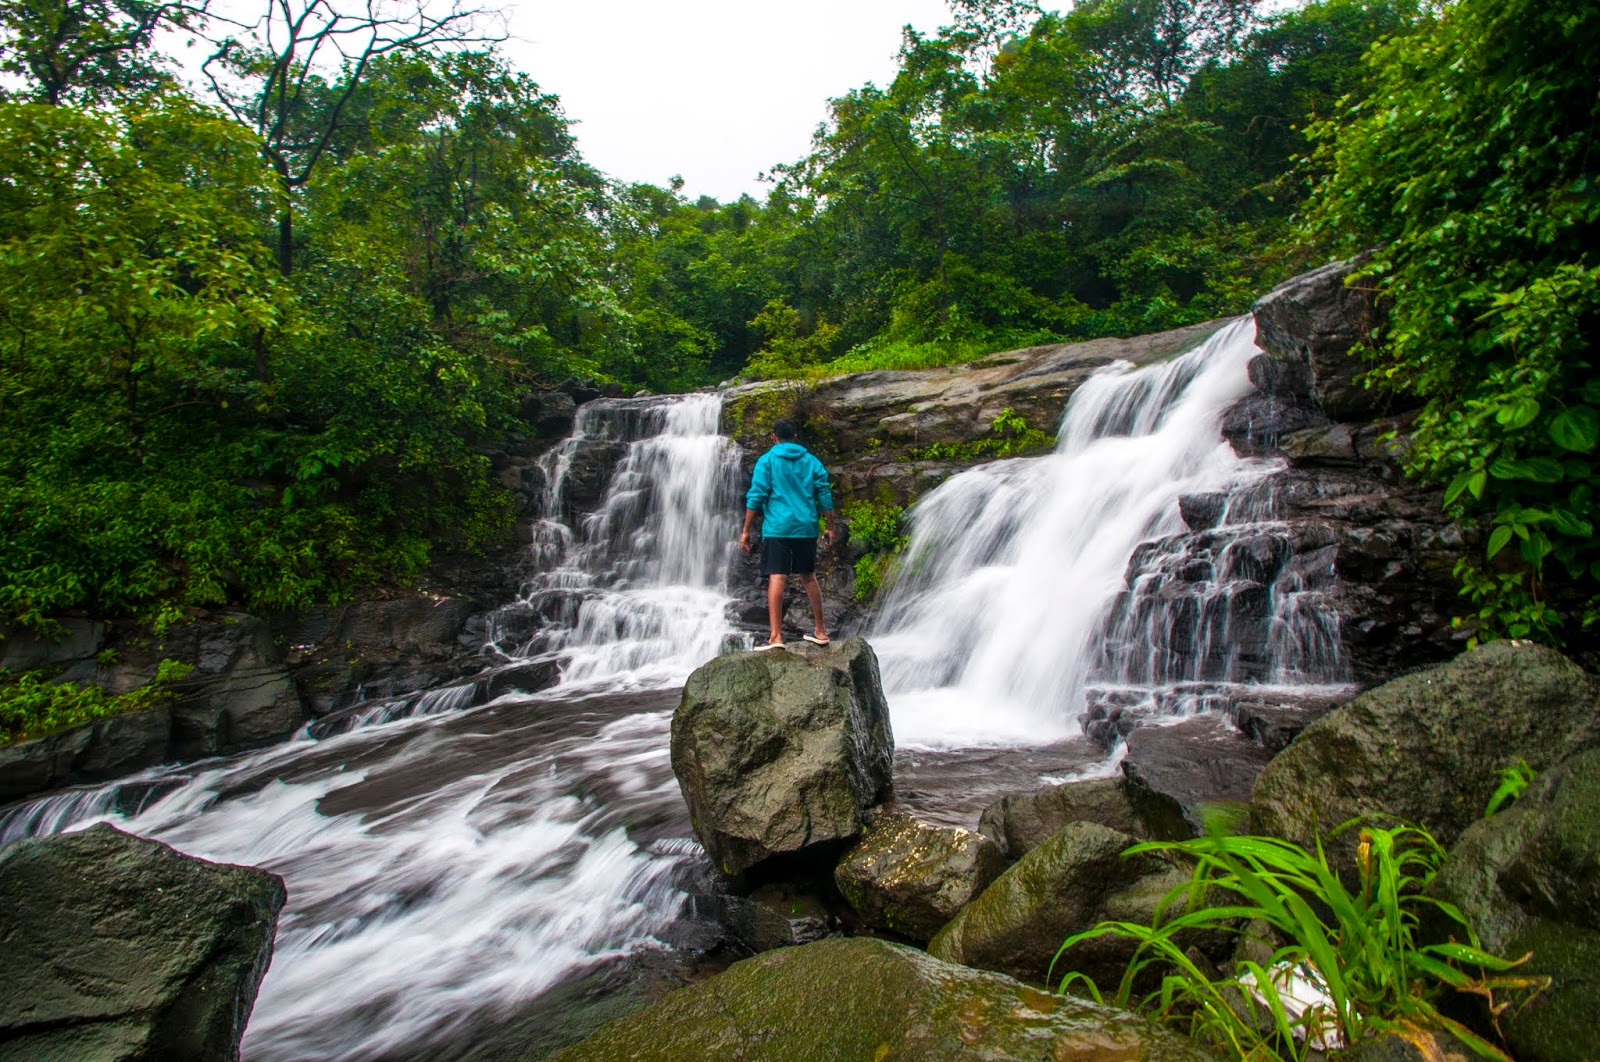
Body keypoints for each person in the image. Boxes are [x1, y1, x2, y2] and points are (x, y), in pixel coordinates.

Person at [739, 418, 836, 650]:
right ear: (795, 436)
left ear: (774, 437)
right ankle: (820, 632)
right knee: (809, 576)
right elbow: (824, 494)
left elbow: (756, 496)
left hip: (778, 528)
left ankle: (776, 637)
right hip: (806, 527)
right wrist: (830, 526)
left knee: (777, 576)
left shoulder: (767, 461)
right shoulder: (811, 461)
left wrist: (745, 530)